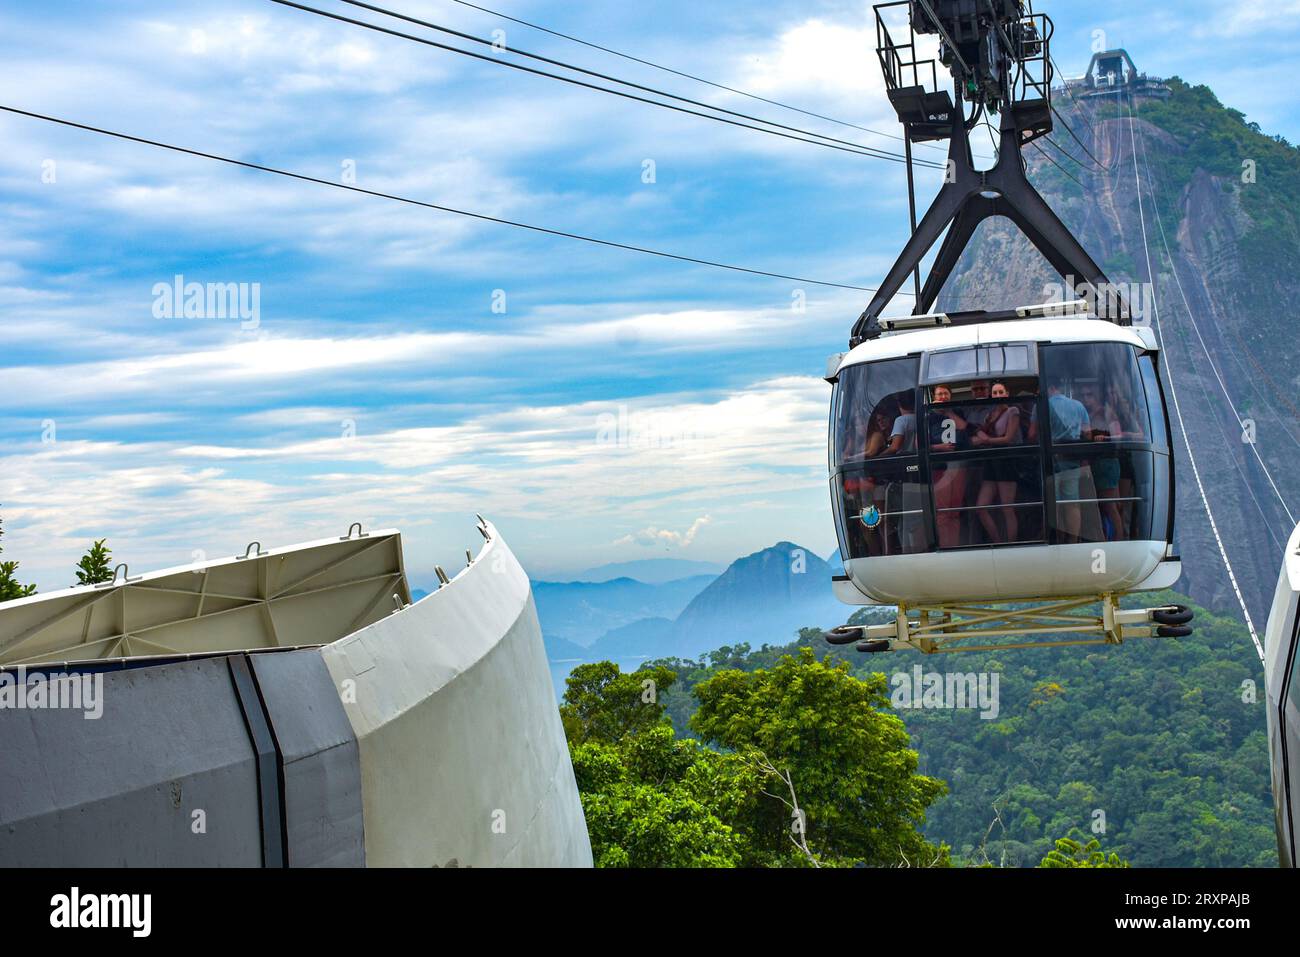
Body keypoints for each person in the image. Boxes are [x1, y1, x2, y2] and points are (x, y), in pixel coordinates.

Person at [971, 382, 1023, 543]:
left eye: (1001, 392)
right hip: (991, 461)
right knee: (981, 507)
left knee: (1007, 507)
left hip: (1006, 460)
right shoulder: (991, 413)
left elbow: (1008, 438)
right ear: (991, 395)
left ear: (1007, 393)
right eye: (995, 393)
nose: (998, 395)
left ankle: (1011, 544)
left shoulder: (1013, 411)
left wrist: (985, 440)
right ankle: (998, 541)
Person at [1046, 381, 1091, 543]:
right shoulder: (1078, 406)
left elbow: (1032, 433)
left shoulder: (1043, 404)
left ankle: (1058, 539)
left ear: (1050, 387)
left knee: (1054, 503)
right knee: (1072, 503)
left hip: (1050, 460)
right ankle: (1073, 540)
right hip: (1073, 460)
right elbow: (1087, 434)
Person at [1081, 382, 1125, 541]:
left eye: (1090, 395)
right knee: (1101, 505)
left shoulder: (1107, 413)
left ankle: (1119, 539)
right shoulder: (1089, 414)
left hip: (1107, 462)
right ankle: (1107, 537)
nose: (1086, 399)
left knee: (1109, 505)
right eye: (1084, 395)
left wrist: (1104, 438)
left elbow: (1118, 437)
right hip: (1097, 463)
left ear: (1097, 396)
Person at [929, 385, 969, 548]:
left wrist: (948, 411)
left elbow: (963, 427)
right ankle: (945, 546)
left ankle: (955, 545)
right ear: (933, 396)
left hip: (957, 465)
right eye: (940, 394)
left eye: (946, 394)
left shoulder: (956, 412)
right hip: (938, 466)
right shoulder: (927, 415)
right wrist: (939, 447)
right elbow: (920, 443)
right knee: (943, 511)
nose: (943, 397)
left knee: (955, 511)